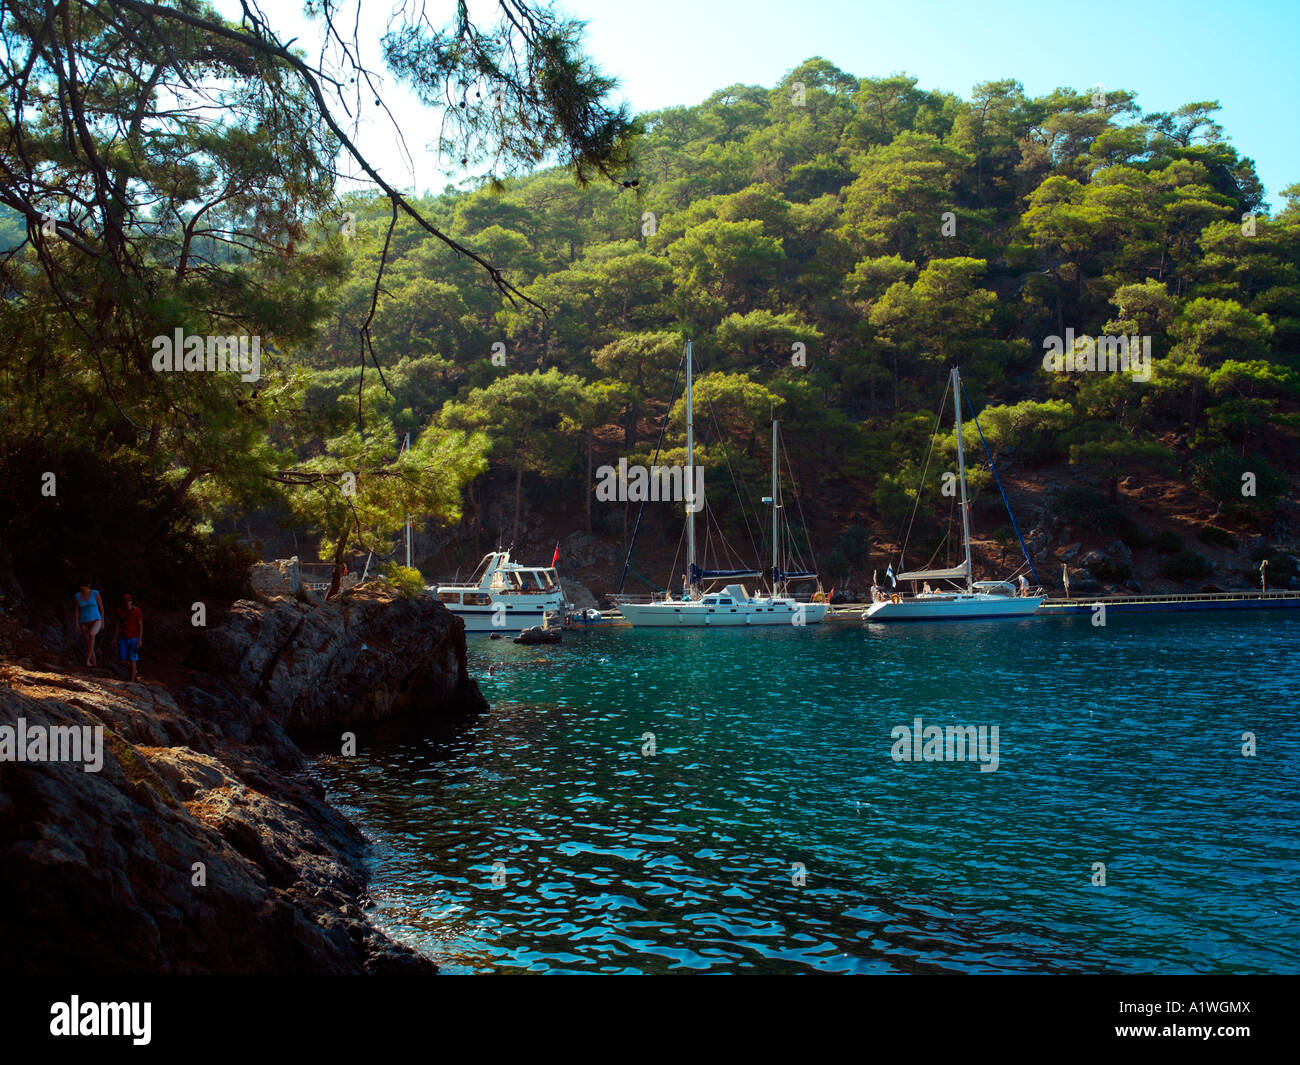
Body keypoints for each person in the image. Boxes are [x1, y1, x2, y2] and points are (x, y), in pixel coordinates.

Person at [113, 593, 144, 681]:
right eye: (125, 601)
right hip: (123, 637)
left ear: (131, 602)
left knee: (133, 658)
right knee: (122, 660)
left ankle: (132, 679)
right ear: (122, 602)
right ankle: (135, 672)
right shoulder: (119, 611)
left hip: (134, 638)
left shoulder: (137, 611)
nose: (127, 603)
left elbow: (140, 626)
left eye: (129, 601)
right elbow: (118, 625)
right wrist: (115, 638)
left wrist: (140, 640)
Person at [74, 582, 105, 667]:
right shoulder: (77, 596)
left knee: (92, 635)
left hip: (96, 619)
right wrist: (76, 624)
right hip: (84, 621)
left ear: (88, 585)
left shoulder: (95, 593)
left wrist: (103, 621)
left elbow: (101, 607)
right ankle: (94, 663)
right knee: (89, 643)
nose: (82, 588)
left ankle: (87, 660)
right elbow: (76, 610)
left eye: (83, 586)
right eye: (81, 586)